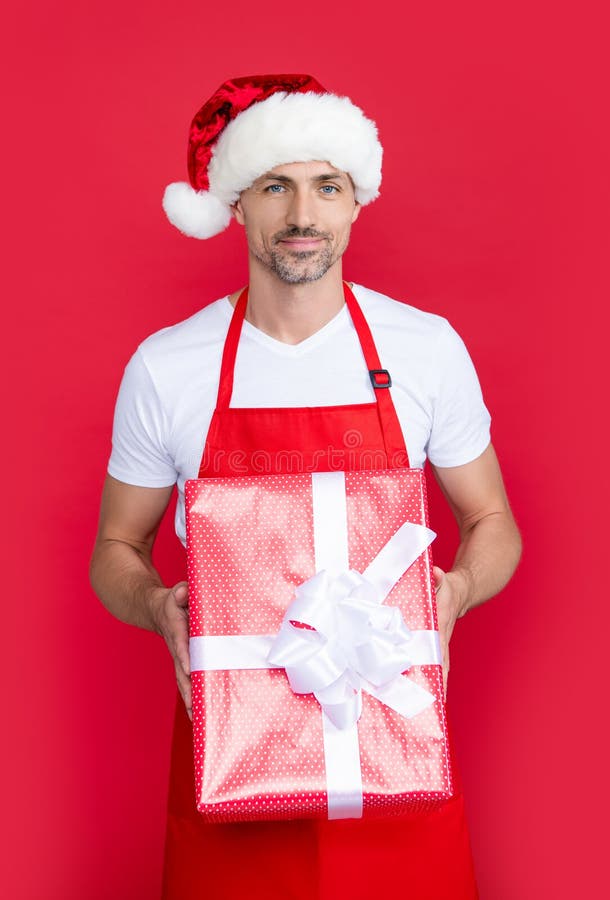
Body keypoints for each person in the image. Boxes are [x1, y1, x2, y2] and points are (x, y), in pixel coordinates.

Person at [90, 74, 522, 900]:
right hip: (232, 754)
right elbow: (117, 546)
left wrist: (458, 588)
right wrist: (156, 607)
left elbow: (492, 518)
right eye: (275, 186)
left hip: (398, 744)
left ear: (355, 203)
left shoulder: (424, 349)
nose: (302, 215)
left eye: (327, 186)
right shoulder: (168, 366)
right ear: (237, 204)